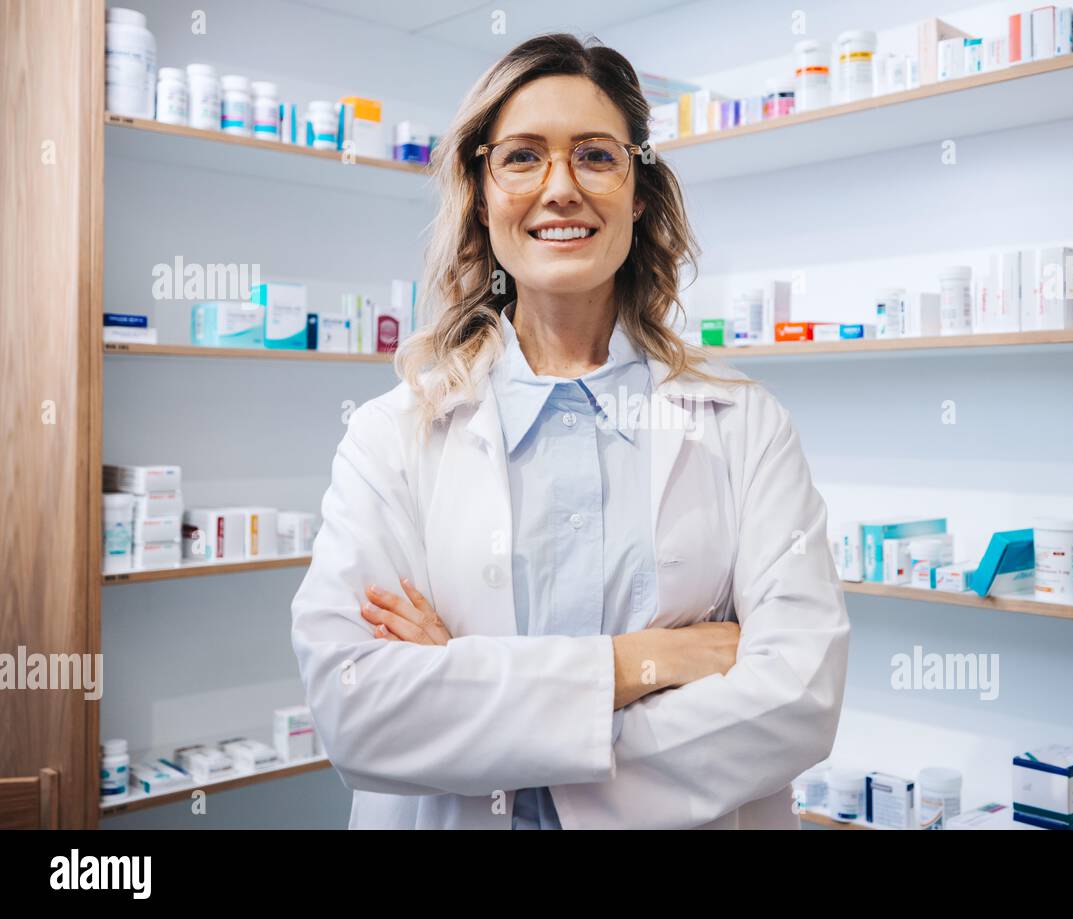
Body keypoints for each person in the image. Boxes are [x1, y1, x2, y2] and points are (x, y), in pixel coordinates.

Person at [290, 33, 849, 829]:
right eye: (522, 157)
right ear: (481, 194)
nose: (560, 189)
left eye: (595, 156)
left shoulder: (742, 422)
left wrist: (466, 682)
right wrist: (641, 664)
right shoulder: (394, 435)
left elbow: (798, 696)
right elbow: (359, 711)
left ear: (639, 191)